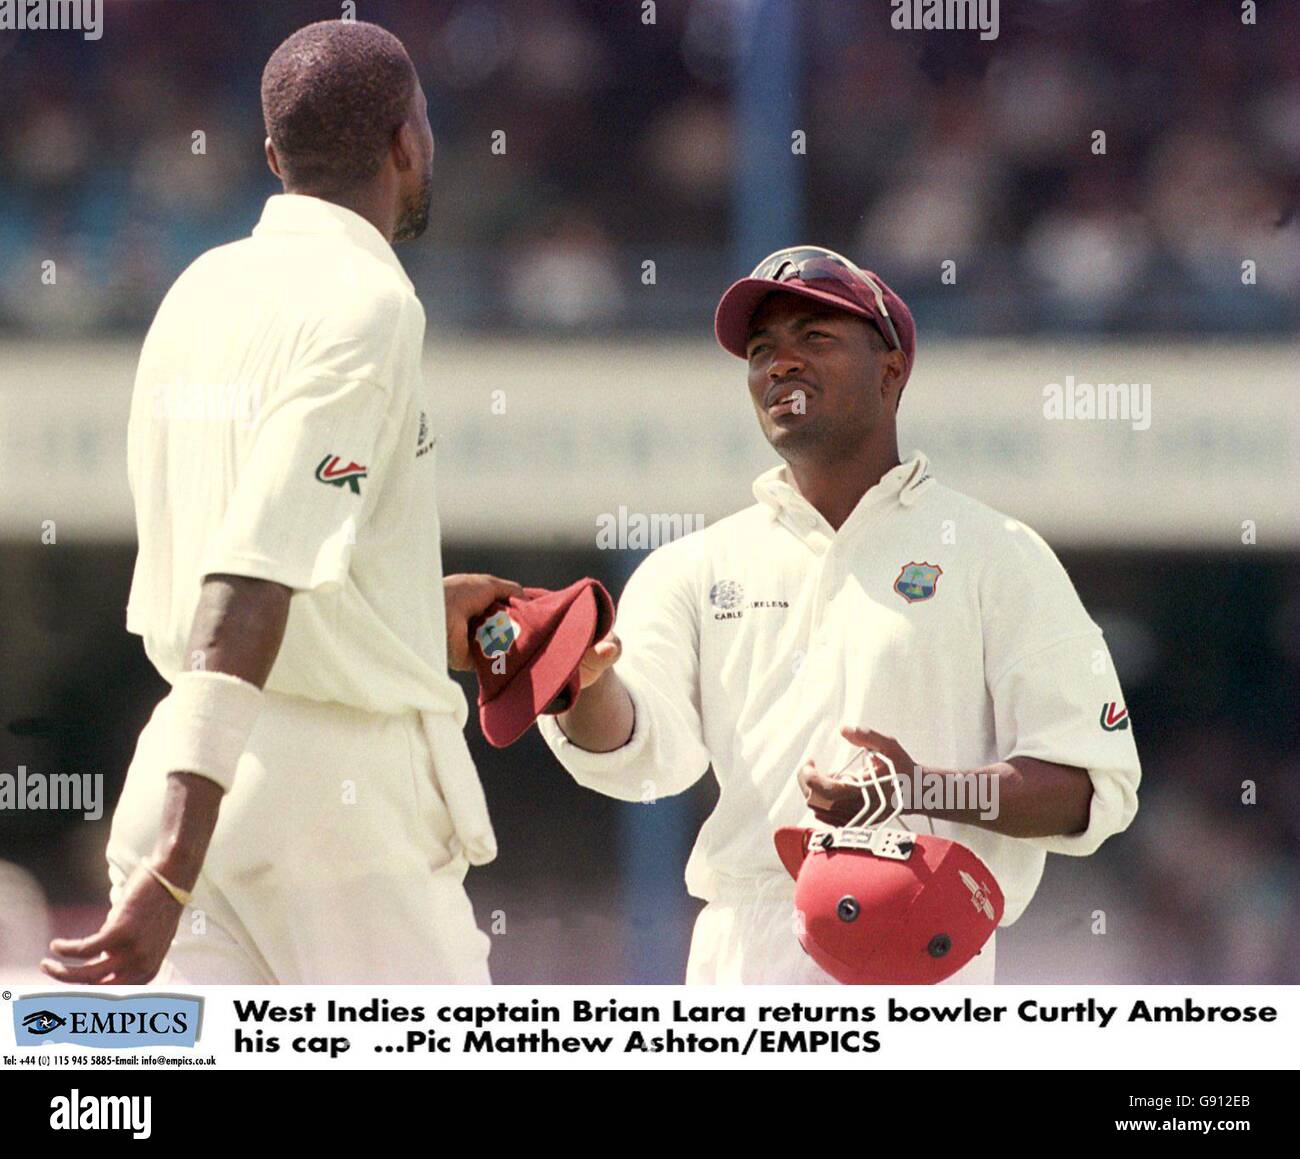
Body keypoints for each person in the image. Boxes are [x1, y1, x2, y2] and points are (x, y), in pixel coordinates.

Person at [41, 20, 519, 985]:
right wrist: (173, 866)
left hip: (190, 768)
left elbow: (257, 562)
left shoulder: (199, 287)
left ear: (271, 157)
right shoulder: (372, 304)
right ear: (406, 143)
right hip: (332, 826)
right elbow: (250, 574)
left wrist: (406, 619)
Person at [540, 246, 1141, 984]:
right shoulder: (692, 566)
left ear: (892, 370)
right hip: (743, 957)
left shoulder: (999, 552)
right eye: (761, 351)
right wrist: (575, 680)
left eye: (814, 339)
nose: (780, 364)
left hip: (926, 958)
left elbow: (1090, 788)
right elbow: (641, 755)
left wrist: (920, 789)